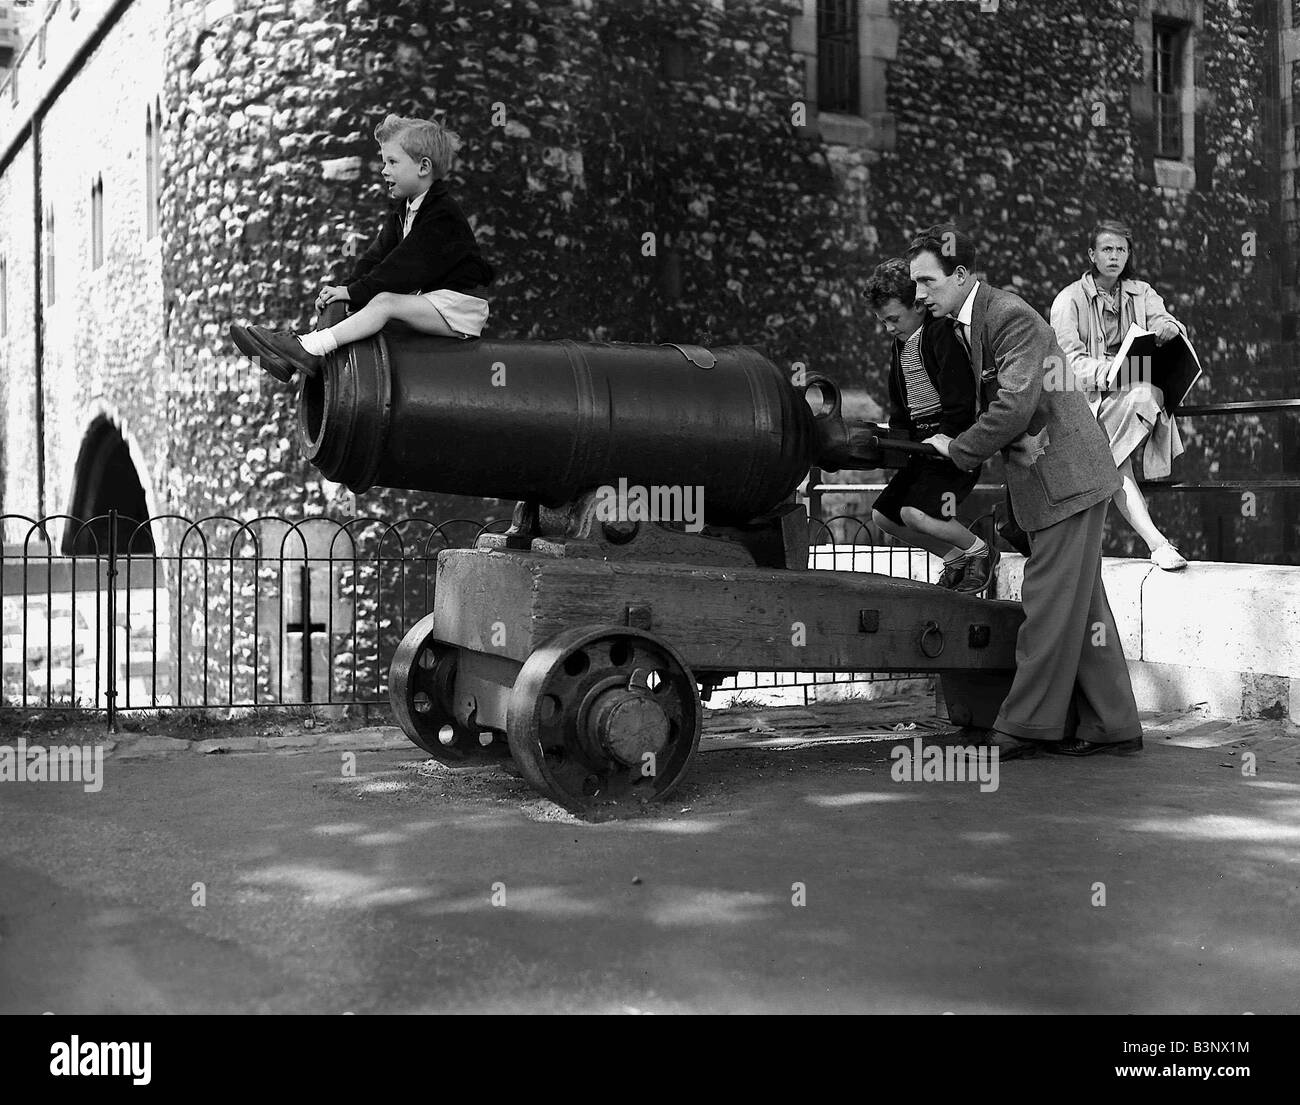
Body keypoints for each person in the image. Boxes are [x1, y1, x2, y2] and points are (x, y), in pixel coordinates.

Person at [907, 223, 1143, 760]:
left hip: (1066, 482)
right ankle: (1113, 724)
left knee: (1046, 605)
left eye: (926, 281)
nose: (919, 293)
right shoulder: (972, 322)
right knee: (1081, 610)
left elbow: (1013, 405)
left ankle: (1025, 726)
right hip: (1058, 482)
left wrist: (958, 448)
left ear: (960, 275)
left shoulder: (1007, 315)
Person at [230, 113, 495, 381]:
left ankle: (308, 349)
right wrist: (343, 290)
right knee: (357, 306)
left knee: (384, 303)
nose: (384, 170)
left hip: (461, 307)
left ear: (423, 167)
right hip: (437, 301)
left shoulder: (442, 215)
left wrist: (355, 292)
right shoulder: (404, 209)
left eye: (392, 162)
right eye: (384, 162)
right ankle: (292, 358)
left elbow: (402, 269)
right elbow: (376, 256)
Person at [1050, 220, 1189, 570]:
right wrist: (1108, 371)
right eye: (1107, 249)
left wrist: (1169, 327)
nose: (1115, 257)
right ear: (1091, 254)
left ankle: (1155, 543)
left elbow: (1166, 320)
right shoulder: (1068, 300)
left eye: (1121, 250)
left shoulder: (1142, 292)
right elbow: (1068, 362)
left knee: (1137, 406)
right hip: (1090, 401)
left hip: (1134, 392)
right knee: (1116, 459)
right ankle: (1157, 543)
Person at [863, 258, 990, 591]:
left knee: (915, 514)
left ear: (918, 305)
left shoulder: (941, 335)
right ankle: (953, 556)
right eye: (883, 321)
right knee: (883, 516)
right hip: (922, 448)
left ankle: (979, 551)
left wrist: (949, 440)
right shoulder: (901, 344)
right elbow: (899, 403)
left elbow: (960, 396)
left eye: (893, 318)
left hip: (951, 447)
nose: (889, 327)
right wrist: (896, 444)